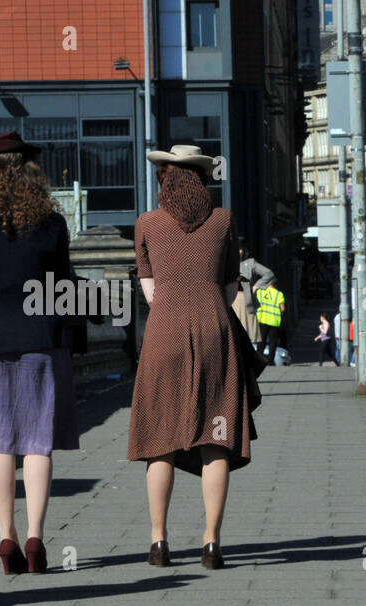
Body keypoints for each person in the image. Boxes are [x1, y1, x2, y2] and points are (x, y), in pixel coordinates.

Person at [0, 132, 81, 575]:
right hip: (41, 341)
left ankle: (6, 536)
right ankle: (35, 540)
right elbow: (63, 289)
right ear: (30, 173)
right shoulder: (50, 224)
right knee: (37, 444)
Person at [129, 144, 253, 570]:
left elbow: (150, 293)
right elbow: (231, 289)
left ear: (166, 178)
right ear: (202, 178)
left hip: (163, 334)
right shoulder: (223, 221)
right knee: (215, 436)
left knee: (160, 442)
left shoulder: (146, 224)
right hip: (214, 330)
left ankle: (159, 542)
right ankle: (211, 544)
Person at [233, 244, 275, 346]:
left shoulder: (250, 263)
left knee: (249, 333)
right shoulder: (227, 263)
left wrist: (256, 285)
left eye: (241, 251)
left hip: (245, 300)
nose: (240, 253)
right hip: (231, 300)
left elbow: (269, 274)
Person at [255, 277, 286, 362]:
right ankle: (270, 360)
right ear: (275, 285)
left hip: (262, 319)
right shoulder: (279, 294)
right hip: (274, 321)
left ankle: (259, 358)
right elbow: (282, 308)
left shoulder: (260, 292)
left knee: (261, 340)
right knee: (273, 342)